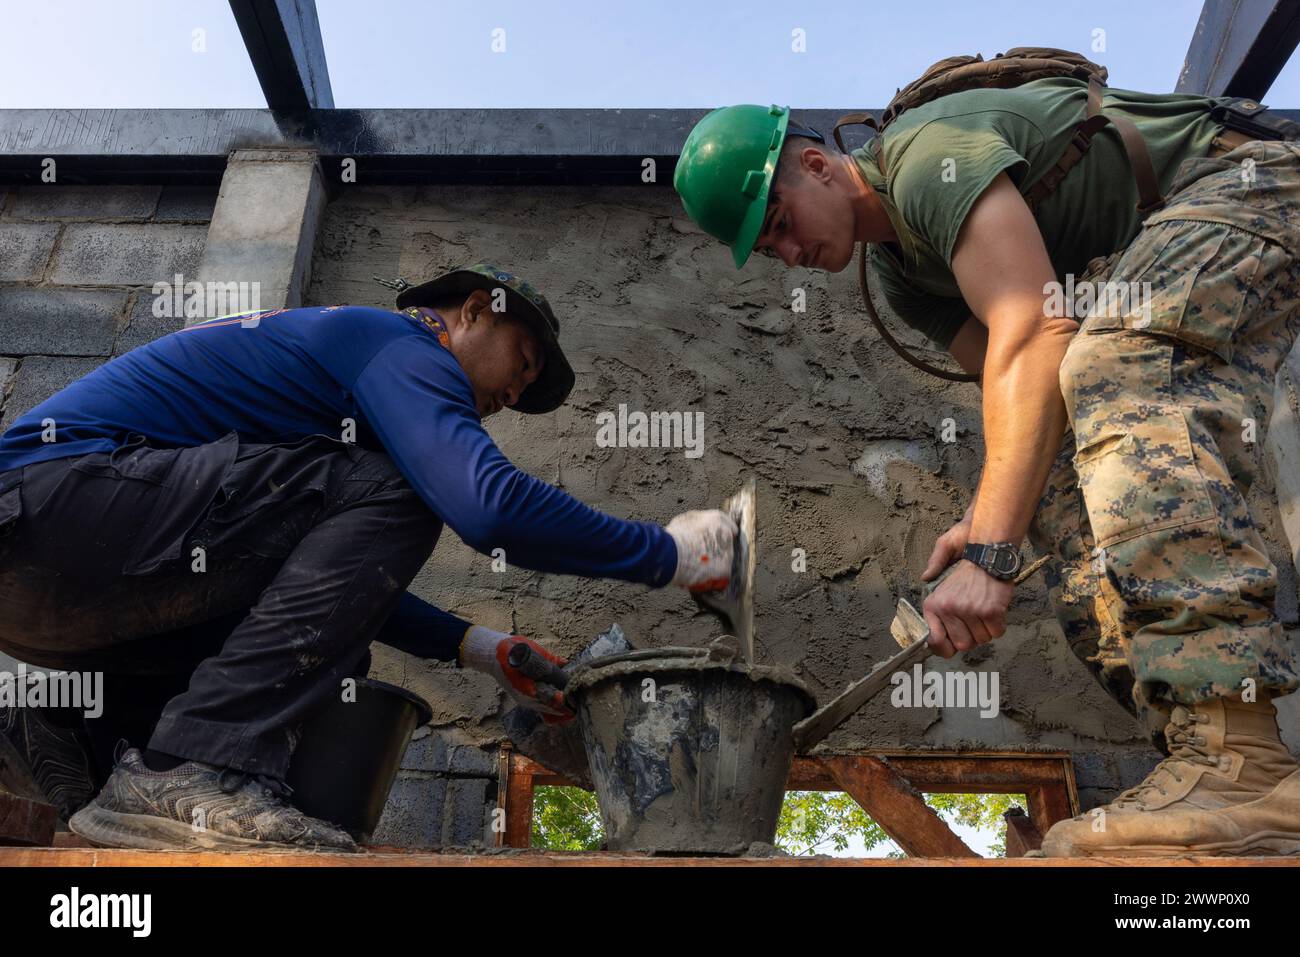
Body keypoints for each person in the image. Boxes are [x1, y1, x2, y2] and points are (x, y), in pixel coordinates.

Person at [673, 79, 1300, 856]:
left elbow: (1039, 333)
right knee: (1060, 482)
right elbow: (1028, 400)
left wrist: (993, 558)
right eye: (771, 252)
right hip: (1159, 262)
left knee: (1121, 367)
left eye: (781, 223)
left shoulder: (928, 159)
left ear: (818, 165)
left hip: (1251, 184)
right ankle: (1200, 753)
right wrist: (983, 524)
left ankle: (1238, 747)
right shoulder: (904, 280)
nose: (792, 253)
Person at [0, 262, 736, 852]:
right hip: (53, 506)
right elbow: (487, 507)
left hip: (52, 569)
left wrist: (480, 647)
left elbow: (323, 582)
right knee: (406, 492)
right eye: (524, 359)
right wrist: (669, 552)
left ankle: (72, 739)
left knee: (338, 643)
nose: (516, 391)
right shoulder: (400, 344)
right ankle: (192, 767)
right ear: (475, 309)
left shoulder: (349, 378)